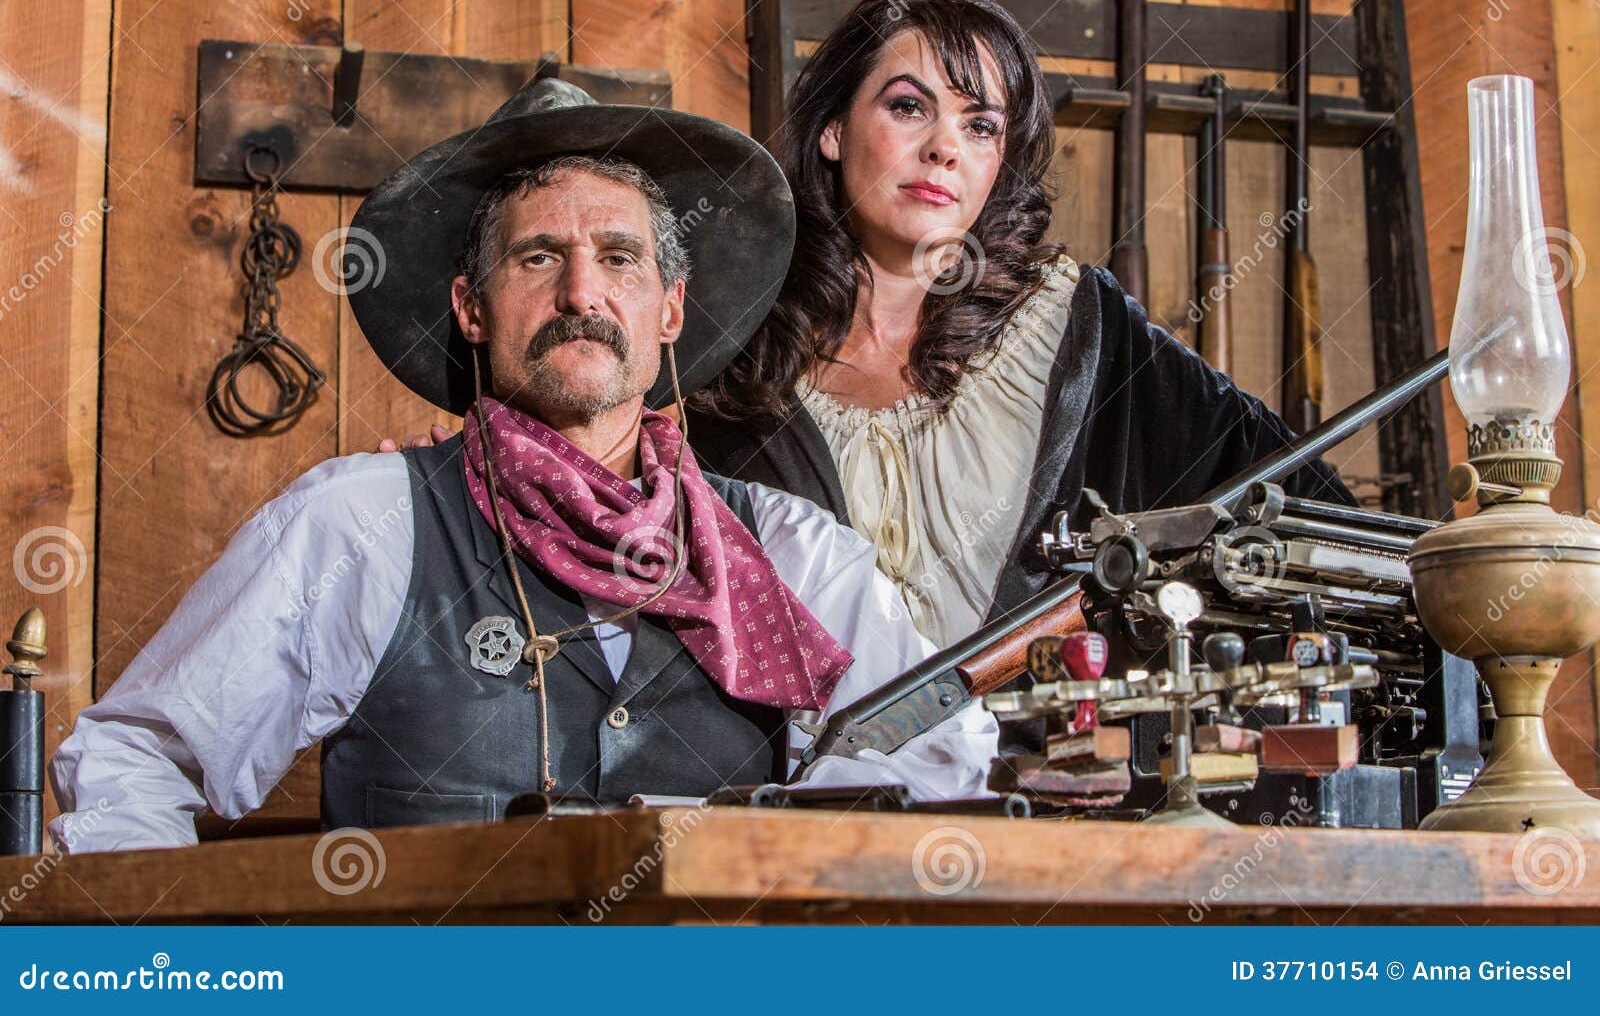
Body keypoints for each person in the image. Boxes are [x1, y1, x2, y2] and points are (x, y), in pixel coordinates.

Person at [47, 79, 997, 854]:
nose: (581, 291)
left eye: (619, 257)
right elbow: (139, 756)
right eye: (539, 256)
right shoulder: (363, 522)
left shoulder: (790, 554)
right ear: (472, 308)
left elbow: (927, 754)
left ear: (668, 310)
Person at [684, 0, 1355, 653]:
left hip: (1048, 756)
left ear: (997, 162)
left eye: (980, 126)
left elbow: (1293, 494)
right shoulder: (737, 360)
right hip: (803, 760)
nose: (944, 147)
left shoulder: (1074, 333)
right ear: (834, 129)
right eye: (910, 107)